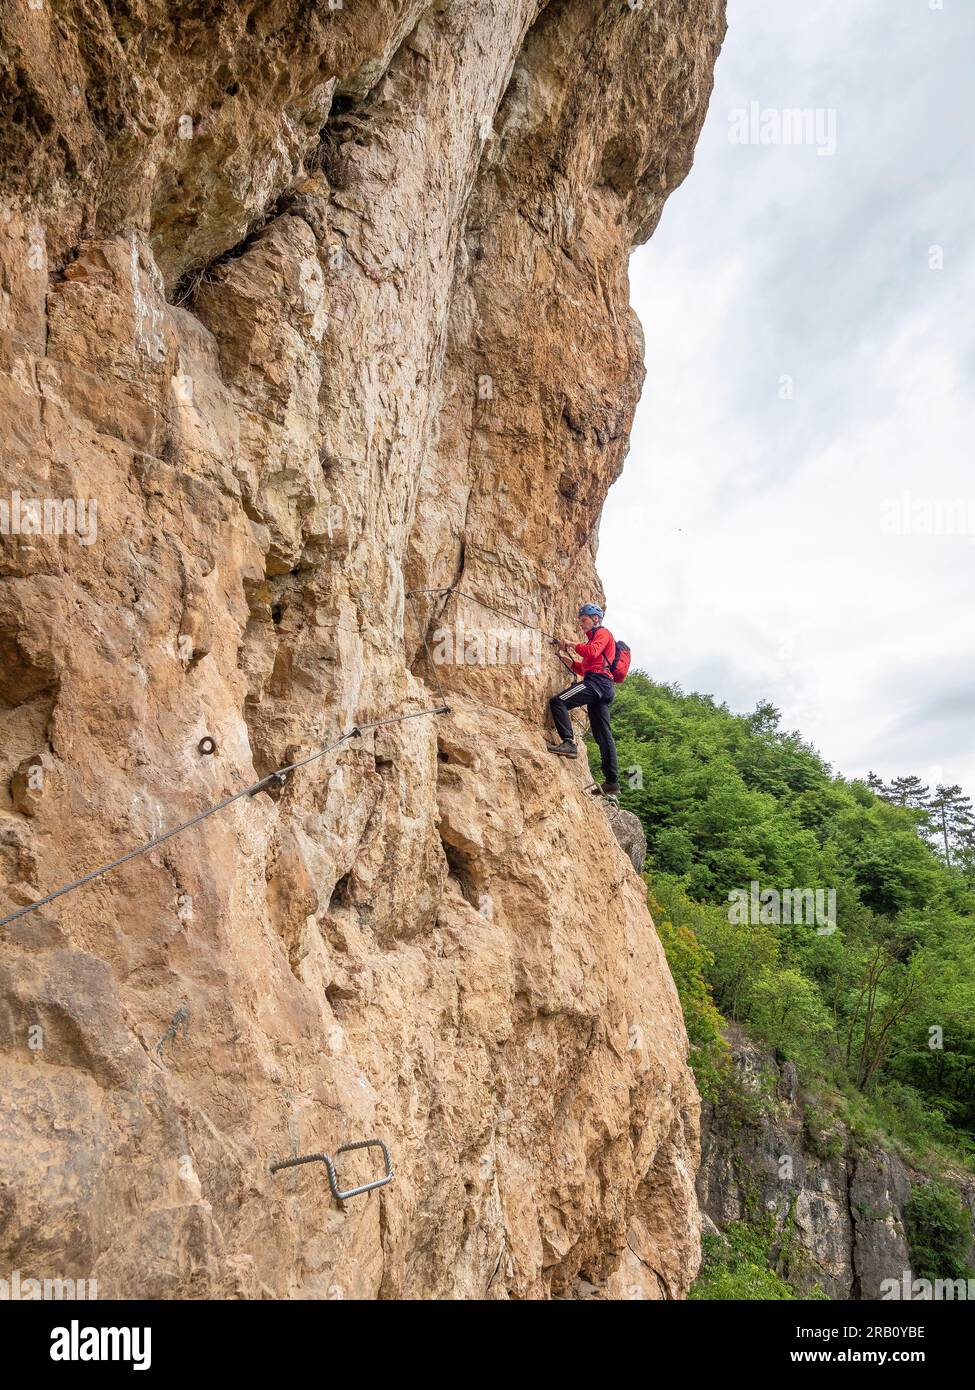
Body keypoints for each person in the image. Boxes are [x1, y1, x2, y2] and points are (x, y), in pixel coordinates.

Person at [547, 603, 620, 796]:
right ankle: (612, 782)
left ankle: (568, 743)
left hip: (598, 683)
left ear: (595, 618)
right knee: (603, 736)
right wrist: (569, 661)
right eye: (580, 621)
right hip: (602, 686)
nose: (581, 624)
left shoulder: (603, 633)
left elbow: (592, 652)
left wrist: (570, 644)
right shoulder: (593, 639)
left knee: (558, 701)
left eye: (584, 620)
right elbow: (586, 667)